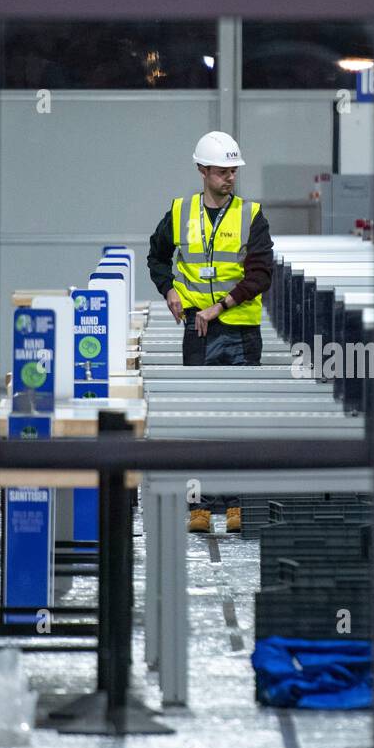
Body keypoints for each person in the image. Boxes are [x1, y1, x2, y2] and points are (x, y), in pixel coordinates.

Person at [147, 130, 274, 533]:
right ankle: (200, 505)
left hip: (239, 330)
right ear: (203, 171)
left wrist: (220, 305)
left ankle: (236, 505)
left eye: (233, 171)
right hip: (198, 332)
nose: (230, 178)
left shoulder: (251, 216)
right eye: (222, 172)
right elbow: (157, 255)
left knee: (238, 421)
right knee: (199, 421)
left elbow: (260, 274)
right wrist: (169, 291)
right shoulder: (180, 212)